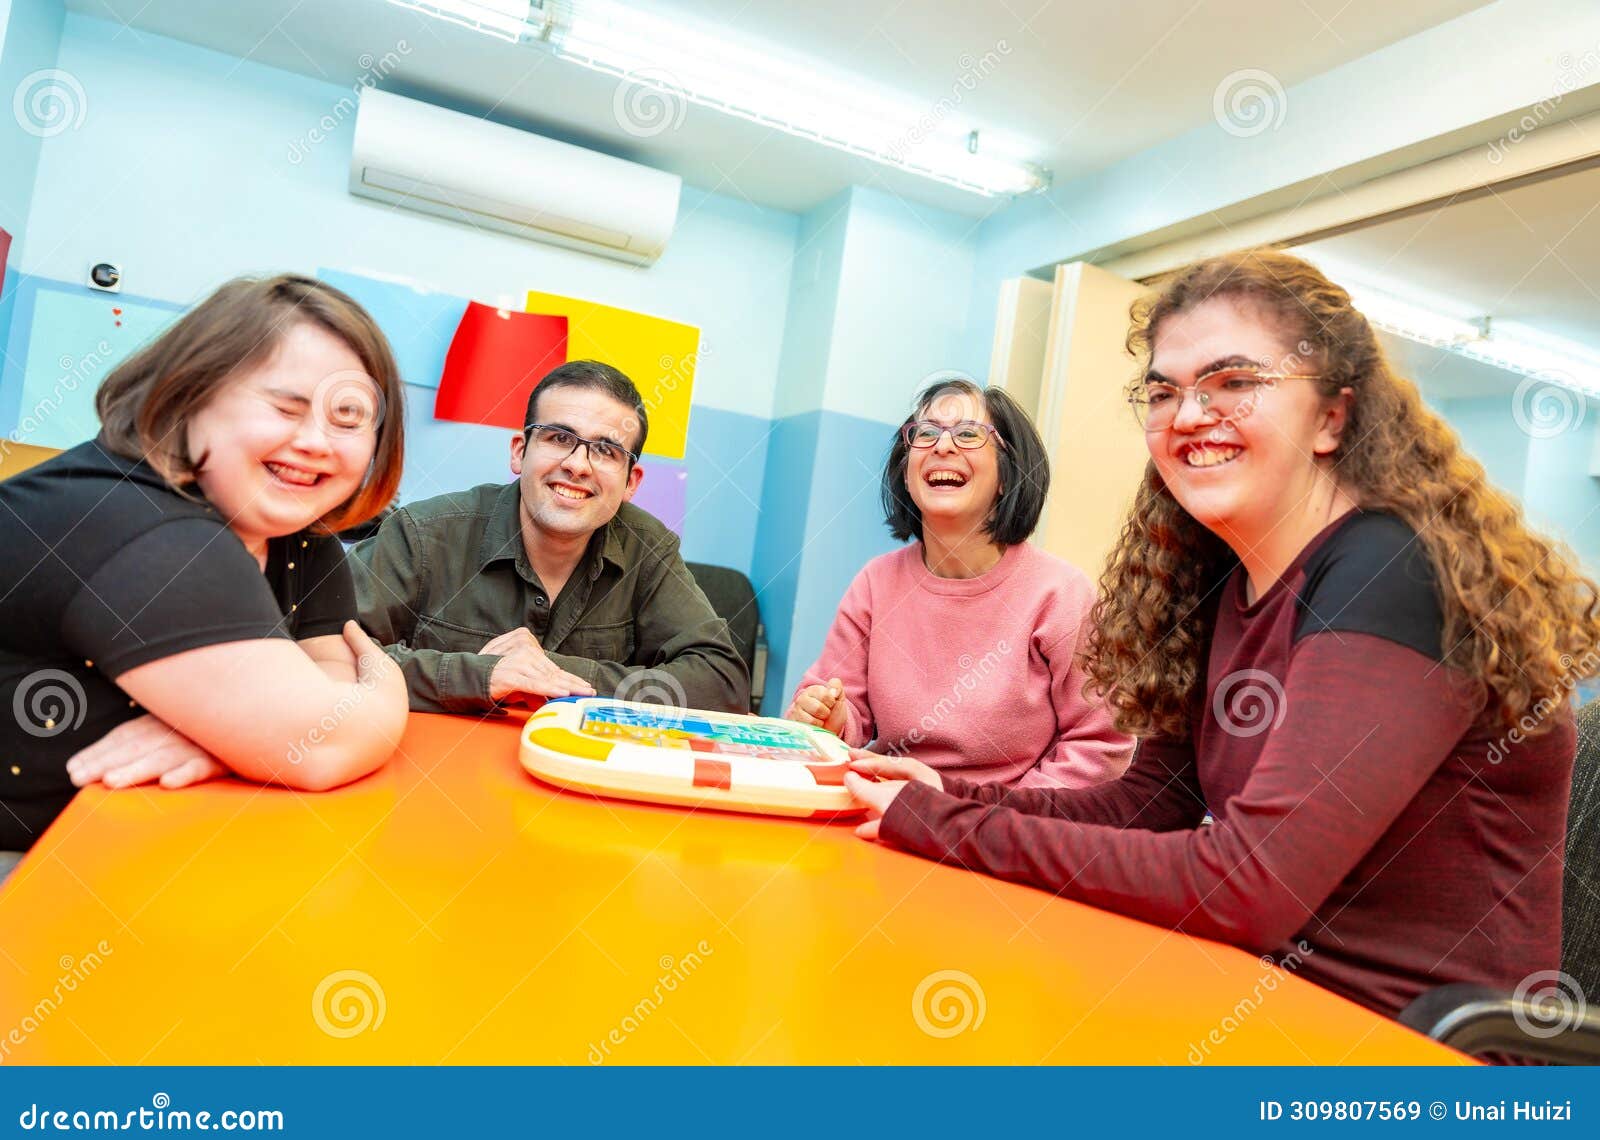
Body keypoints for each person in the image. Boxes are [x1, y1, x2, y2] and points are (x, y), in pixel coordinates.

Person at [845, 249, 1597, 1023]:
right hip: (1249, 1000)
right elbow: (1150, 805)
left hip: (1412, 1058)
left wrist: (948, 826)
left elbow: (1248, 889)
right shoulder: (1220, 574)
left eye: (1234, 382)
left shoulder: (1392, 571)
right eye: (1164, 392)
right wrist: (942, 792)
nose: (1191, 415)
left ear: (1332, 418)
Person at [0, 274, 411, 864]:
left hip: (129, 833)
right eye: (285, 407)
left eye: (348, 421)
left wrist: (237, 739)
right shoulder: (144, 529)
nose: (316, 442)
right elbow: (326, 742)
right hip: (29, 860)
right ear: (188, 397)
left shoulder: (296, 532)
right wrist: (383, 683)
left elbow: (326, 670)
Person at [789, 377, 1132, 789]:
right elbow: (842, 715)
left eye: (968, 434)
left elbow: (1100, 746)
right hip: (888, 803)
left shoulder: (1060, 594)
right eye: (926, 433)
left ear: (1007, 476)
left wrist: (993, 817)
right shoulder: (875, 582)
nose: (942, 446)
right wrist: (830, 718)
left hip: (1003, 828)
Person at [351, 360, 747, 715]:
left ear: (631, 482)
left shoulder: (648, 548)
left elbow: (722, 683)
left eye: (606, 451)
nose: (577, 465)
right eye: (559, 438)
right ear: (519, 452)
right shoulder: (422, 532)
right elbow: (326, 647)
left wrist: (552, 671)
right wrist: (480, 677)